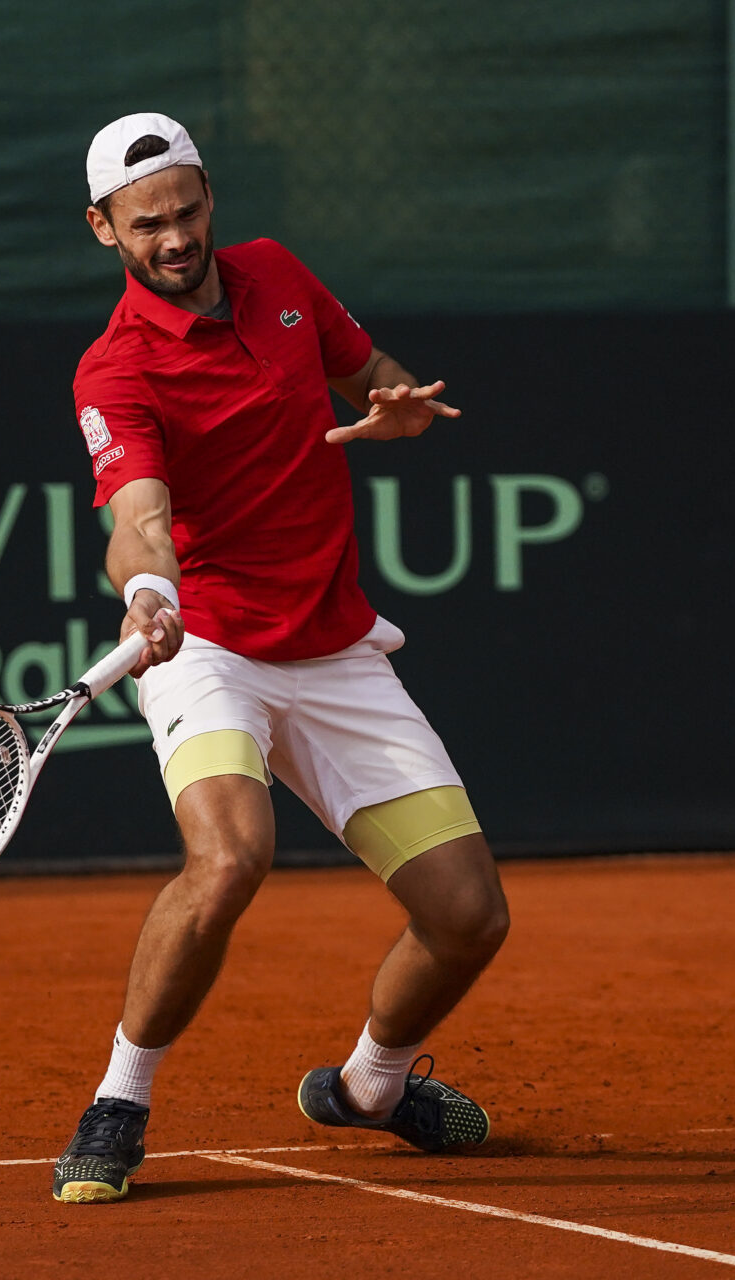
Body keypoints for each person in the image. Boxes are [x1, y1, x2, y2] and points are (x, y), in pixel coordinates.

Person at [52, 112, 509, 1205]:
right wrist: (150, 589)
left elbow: (377, 379)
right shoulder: (114, 369)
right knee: (228, 858)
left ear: (210, 195)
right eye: (146, 223)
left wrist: (398, 412)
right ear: (103, 229)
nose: (175, 238)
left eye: (187, 210)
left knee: (468, 915)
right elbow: (138, 515)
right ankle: (120, 1100)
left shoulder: (278, 275)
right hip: (206, 640)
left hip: (335, 641)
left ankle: (371, 1085)